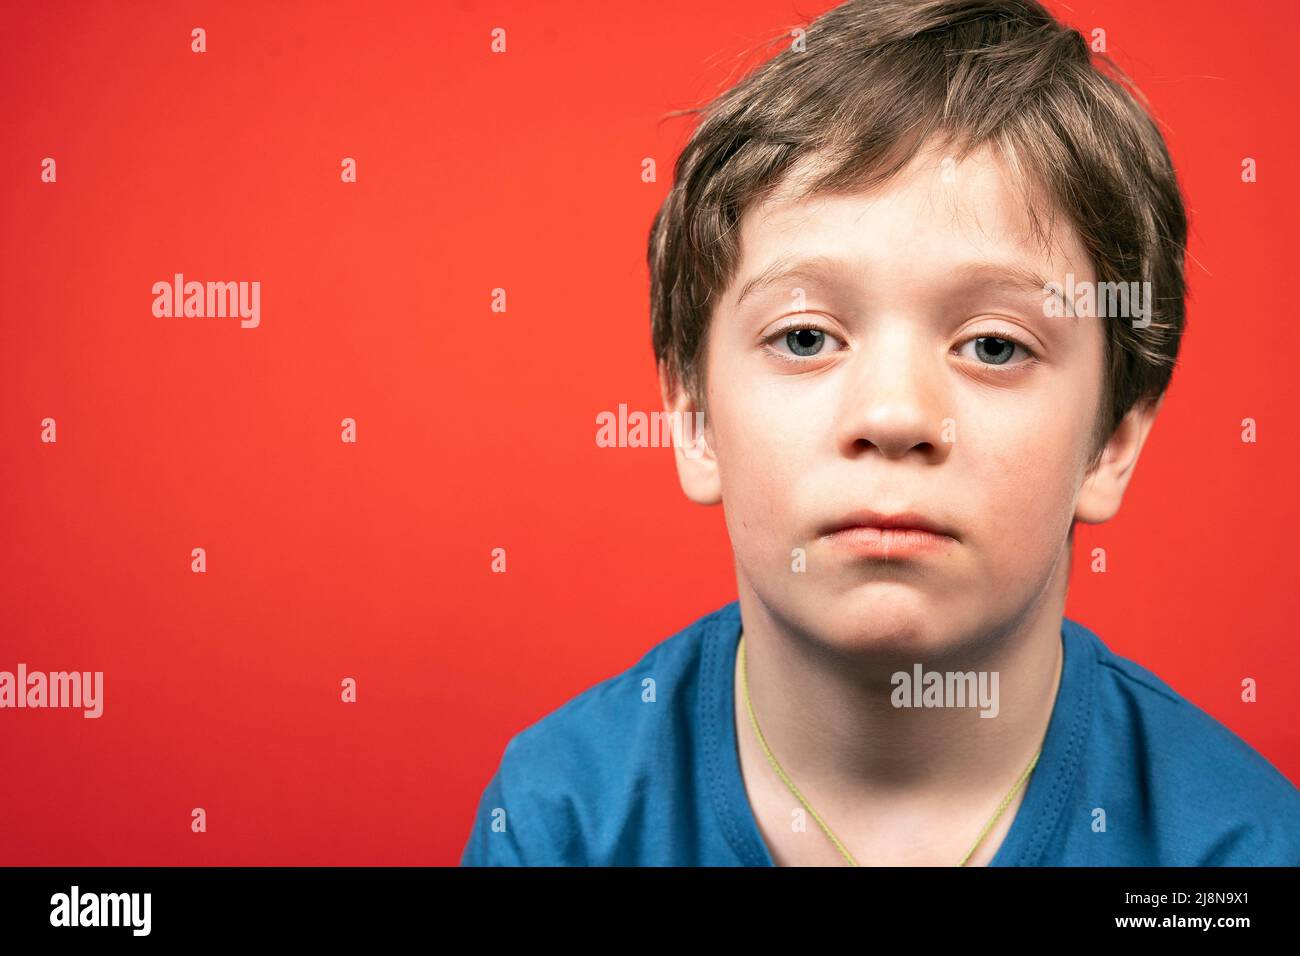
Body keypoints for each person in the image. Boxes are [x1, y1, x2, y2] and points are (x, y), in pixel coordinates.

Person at [461, 0, 1300, 866]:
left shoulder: (1237, 856)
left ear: (1111, 442)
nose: (896, 416)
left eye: (994, 346)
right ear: (694, 420)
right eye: (805, 338)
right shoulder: (559, 823)